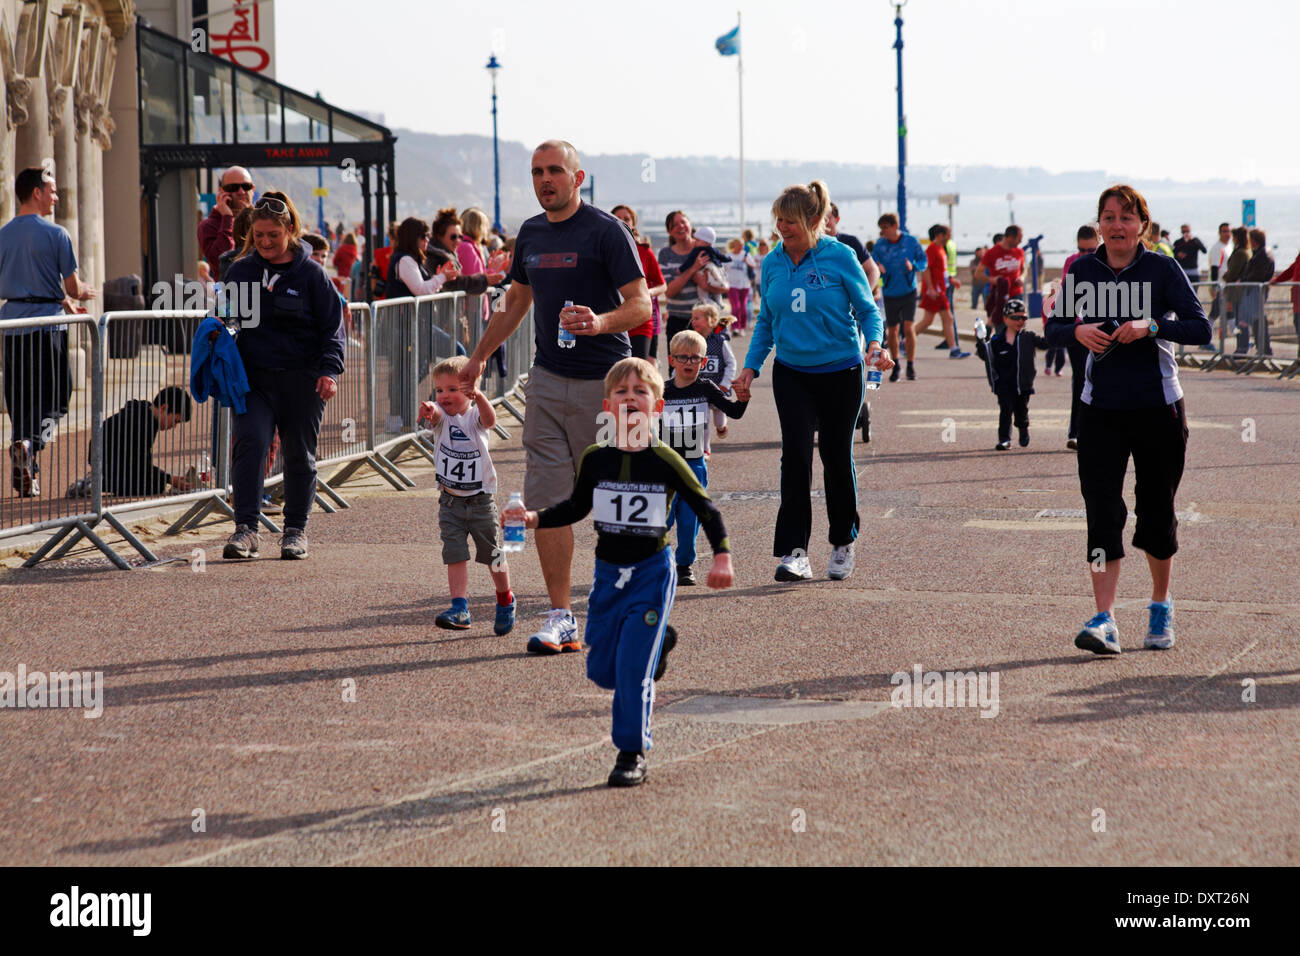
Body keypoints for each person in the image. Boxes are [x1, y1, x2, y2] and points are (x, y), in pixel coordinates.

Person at [501, 357, 733, 787]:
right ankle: (660, 641)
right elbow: (575, 508)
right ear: (607, 407)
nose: (631, 397)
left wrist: (722, 555)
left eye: (640, 391)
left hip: (651, 572)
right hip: (608, 574)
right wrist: (533, 518)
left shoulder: (666, 460)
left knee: (632, 673)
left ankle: (631, 752)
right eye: (622, 392)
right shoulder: (595, 458)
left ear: (657, 408)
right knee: (603, 670)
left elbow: (706, 507)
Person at [460, 139, 650, 654]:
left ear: (577, 177)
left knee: (622, 499)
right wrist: (477, 359)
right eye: (537, 172)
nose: (545, 180)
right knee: (546, 500)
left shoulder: (606, 232)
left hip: (608, 384)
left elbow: (640, 306)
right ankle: (561, 617)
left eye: (555, 171)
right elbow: (516, 300)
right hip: (546, 381)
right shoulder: (531, 233)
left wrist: (599, 322)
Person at [1044, 184, 1210, 656]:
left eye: (1126, 217)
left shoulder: (1161, 267)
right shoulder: (1083, 270)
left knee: (1157, 510)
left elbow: (1202, 328)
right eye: (1108, 217)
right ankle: (1105, 618)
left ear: (1142, 225)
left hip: (1159, 408)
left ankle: (1160, 605)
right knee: (1101, 512)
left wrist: (1151, 326)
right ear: (1098, 224)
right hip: (1100, 411)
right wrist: (1076, 329)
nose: (1117, 225)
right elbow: (1052, 330)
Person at [732, 180, 889, 582]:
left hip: (841, 372)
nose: (783, 229)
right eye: (779, 221)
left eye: (791, 222)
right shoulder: (772, 262)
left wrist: (874, 345)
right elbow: (766, 321)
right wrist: (750, 367)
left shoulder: (840, 257)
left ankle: (842, 542)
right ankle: (795, 552)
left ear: (815, 220)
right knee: (795, 458)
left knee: (836, 459)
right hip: (792, 374)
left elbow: (869, 312)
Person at [220, 193, 345, 561]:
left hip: (302, 381)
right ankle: (245, 529)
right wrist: (216, 340)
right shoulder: (240, 271)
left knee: (298, 455)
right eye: (258, 235)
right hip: (254, 381)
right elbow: (226, 320)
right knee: (251, 446)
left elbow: (332, 328)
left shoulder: (312, 275)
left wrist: (329, 371)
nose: (265, 242)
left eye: (273, 234)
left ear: (290, 231)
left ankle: (295, 531)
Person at [1, 167, 96, 497]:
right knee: (58, 394)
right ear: (37, 192)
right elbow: (72, 285)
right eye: (52, 191)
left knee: (21, 398)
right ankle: (31, 444)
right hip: (47, 326)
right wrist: (83, 292)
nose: (56, 197)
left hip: (12, 325)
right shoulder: (57, 235)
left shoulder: (3, 234)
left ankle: (26, 461)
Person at [416, 355, 515, 635]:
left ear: (469, 391)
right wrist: (429, 408)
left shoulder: (474, 417)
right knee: (455, 554)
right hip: (450, 502)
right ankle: (460, 608)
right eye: (439, 389)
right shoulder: (441, 419)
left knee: (493, 555)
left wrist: (480, 397)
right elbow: (435, 413)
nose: (444, 395)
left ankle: (505, 598)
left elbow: (490, 420)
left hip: (481, 500)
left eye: (452, 389)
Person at [662, 330, 748, 584]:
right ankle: (656, 563)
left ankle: (684, 565)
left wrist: (742, 399)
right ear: (671, 361)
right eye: (683, 358)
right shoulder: (662, 390)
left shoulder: (706, 387)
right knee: (662, 521)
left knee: (689, 522)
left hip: (694, 464)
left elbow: (732, 411)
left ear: (703, 362)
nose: (689, 363)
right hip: (665, 466)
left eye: (695, 359)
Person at [975, 299, 1048, 450]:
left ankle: (1023, 428)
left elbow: (1046, 343)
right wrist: (979, 339)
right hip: (1004, 384)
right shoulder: (997, 340)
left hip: (1023, 384)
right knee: (1005, 410)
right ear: (1005, 319)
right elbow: (986, 356)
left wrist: (1056, 328)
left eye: (1024, 318)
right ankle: (1004, 439)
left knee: (1021, 411)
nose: (1020, 321)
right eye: (1016, 317)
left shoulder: (1028, 337)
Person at [97, 386, 195, 496]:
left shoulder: (146, 414)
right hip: (106, 459)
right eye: (175, 421)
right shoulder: (142, 424)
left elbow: (142, 462)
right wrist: (170, 479)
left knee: (153, 481)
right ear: (164, 408)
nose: (174, 426)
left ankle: (100, 480)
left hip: (114, 458)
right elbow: (141, 465)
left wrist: (167, 477)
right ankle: (97, 482)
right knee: (151, 486)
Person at [1055, 225, 1100, 448]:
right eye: (1080, 250)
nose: (1084, 255)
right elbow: (1069, 296)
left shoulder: (1107, 262)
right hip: (1079, 330)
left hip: (1103, 330)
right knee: (1081, 380)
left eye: (1090, 251)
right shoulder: (1072, 263)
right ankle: (1076, 432)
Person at [871, 212, 926, 381]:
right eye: (881, 229)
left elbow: (923, 261)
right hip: (889, 292)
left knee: (909, 328)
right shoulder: (879, 245)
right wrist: (878, 270)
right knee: (892, 331)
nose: (883, 232)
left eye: (886, 228)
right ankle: (896, 365)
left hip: (908, 291)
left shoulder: (910, 241)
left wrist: (913, 266)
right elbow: (871, 266)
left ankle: (911, 365)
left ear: (895, 226)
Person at [659, 210, 725, 349]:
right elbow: (669, 292)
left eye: (683, 222)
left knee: (710, 367)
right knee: (677, 368)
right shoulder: (665, 254)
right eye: (675, 225)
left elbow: (725, 287)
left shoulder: (706, 248)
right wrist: (692, 269)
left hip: (706, 320)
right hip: (677, 319)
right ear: (669, 231)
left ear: (690, 225)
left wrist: (706, 287)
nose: (680, 226)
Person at [611, 204, 667, 360]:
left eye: (626, 219)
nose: (622, 221)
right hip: (612, 319)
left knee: (637, 370)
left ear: (633, 223)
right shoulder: (604, 251)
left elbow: (662, 285)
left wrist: (647, 293)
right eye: (617, 218)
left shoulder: (644, 251)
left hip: (640, 320)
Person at [914, 223, 970, 360]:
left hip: (940, 290)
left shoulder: (941, 249)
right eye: (948, 236)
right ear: (940, 235)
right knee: (942, 319)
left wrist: (951, 280)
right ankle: (954, 349)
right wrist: (931, 289)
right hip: (935, 292)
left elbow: (942, 271)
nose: (949, 238)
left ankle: (905, 341)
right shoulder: (932, 249)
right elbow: (926, 269)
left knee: (932, 320)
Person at [689, 302, 737, 446]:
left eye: (697, 318)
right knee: (703, 420)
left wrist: (725, 383)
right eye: (692, 318)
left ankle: (722, 427)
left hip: (718, 387)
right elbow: (684, 361)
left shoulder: (720, 341)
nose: (693, 321)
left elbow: (731, 363)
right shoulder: (692, 341)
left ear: (710, 320)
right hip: (700, 387)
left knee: (718, 419)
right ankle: (705, 449)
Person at [198, 166, 255, 279]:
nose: (241, 192)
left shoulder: (261, 221)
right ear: (221, 192)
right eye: (233, 187)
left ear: (252, 189)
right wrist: (227, 217)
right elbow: (222, 259)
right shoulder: (207, 226)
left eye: (246, 186)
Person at [977, 226, 1026, 326]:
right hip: (1000, 295)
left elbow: (1024, 269)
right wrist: (992, 279)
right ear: (1010, 238)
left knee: (1019, 326)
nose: (1020, 242)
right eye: (1019, 239)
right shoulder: (992, 253)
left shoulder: (1019, 252)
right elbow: (978, 274)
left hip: (1017, 294)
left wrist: (1022, 277)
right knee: (1002, 328)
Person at [1239, 228, 1275, 355]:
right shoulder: (1262, 252)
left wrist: (1243, 280)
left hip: (1256, 290)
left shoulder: (1262, 254)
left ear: (1254, 240)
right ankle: (1262, 348)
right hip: (1255, 289)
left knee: (1257, 320)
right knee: (1256, 320)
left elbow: (1257, 274)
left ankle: (1263, 349)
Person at [1221, 226, 1250, 352]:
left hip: (1239, 292)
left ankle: (1242, 347)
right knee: (1238, 319)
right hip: (1238, 291)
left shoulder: (1241, 253)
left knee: (1240, 320)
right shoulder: (1241, 251)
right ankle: (1241, 346)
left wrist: (1225, 276)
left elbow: (1233, 272)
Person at [1205, 221, 1233, 343]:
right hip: (1220, 286)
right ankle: (1203, 338)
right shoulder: (1217, 248)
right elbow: (1214, 268)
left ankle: (1240, 337)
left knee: (1229, 312)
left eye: (1229, 231)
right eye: (1224, 231)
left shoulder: (1230, 246)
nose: (1227, 234)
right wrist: (1215, 287)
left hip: (1227, 286)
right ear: (1219, 233)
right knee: (1215, 312)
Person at [722, 237, 755, 334]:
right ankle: (735, 327)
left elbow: (753, 265)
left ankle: (742, 327)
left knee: (743, 307)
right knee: (736, 307)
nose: (742, 246)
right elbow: (722, 269)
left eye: (742, 244)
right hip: (732, 285)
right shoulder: (728, 256)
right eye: (740, 244)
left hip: (745, 285)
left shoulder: (746, 254)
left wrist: (746, 261)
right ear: (734, 245)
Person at [1269, 246, 1300, 344]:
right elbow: (1290, 271)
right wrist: (1276, 280)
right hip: (1297, 301)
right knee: (1297, 324)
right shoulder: (1298, 260)